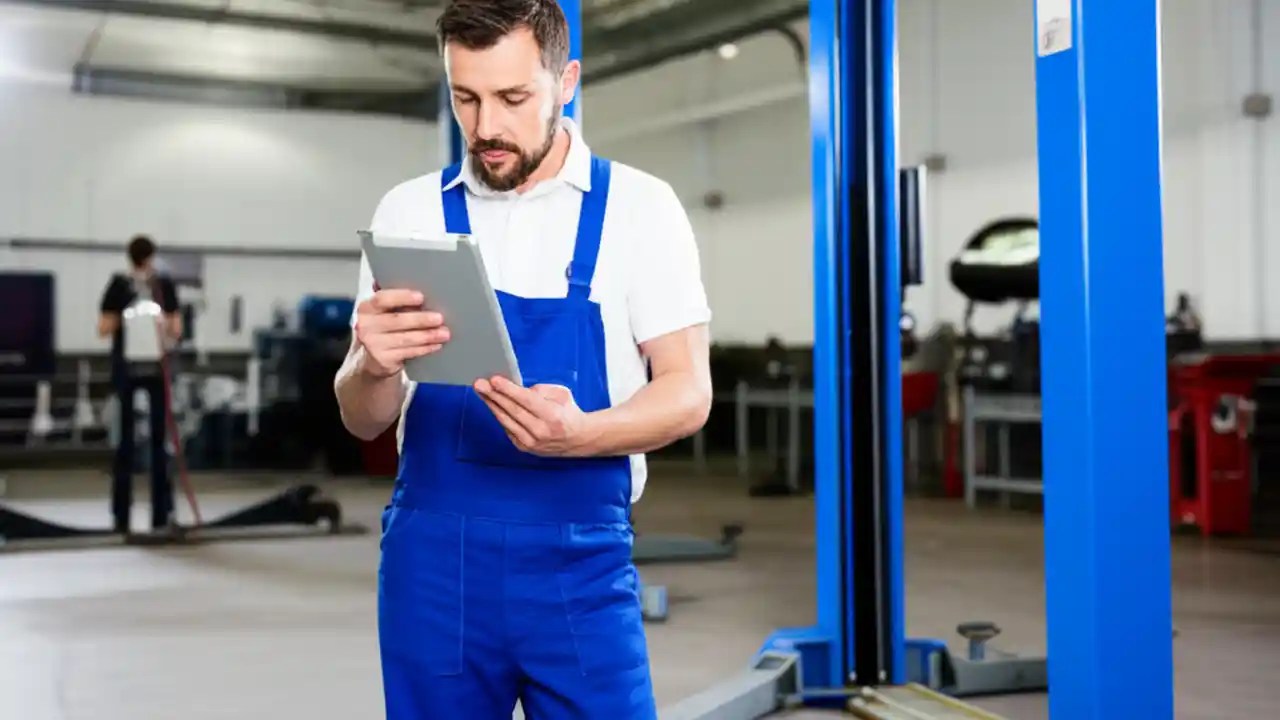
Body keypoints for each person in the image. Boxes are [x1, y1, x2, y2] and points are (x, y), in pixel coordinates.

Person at [333, 1, 713, 717]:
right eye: (464, 97)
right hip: (433, 569)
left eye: (512, 98)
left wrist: (583, 435)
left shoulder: (641, 209)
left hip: (581, 565)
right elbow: (363, 420)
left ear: (565, 81)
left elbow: (689, 393)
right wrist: (370, 365)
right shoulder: (408, 214)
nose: (485, 128)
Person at [97, 234, 182, 534]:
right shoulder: (122, 286)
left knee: (148, 443)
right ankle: (140, 515)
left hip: (154, 369)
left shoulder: (160, 285)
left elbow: (103, 327)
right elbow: (177, 327)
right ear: (150, 256)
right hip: (131, 369)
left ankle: (153, 513)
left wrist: (155, 324)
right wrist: (132, 318)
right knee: (135, 444)